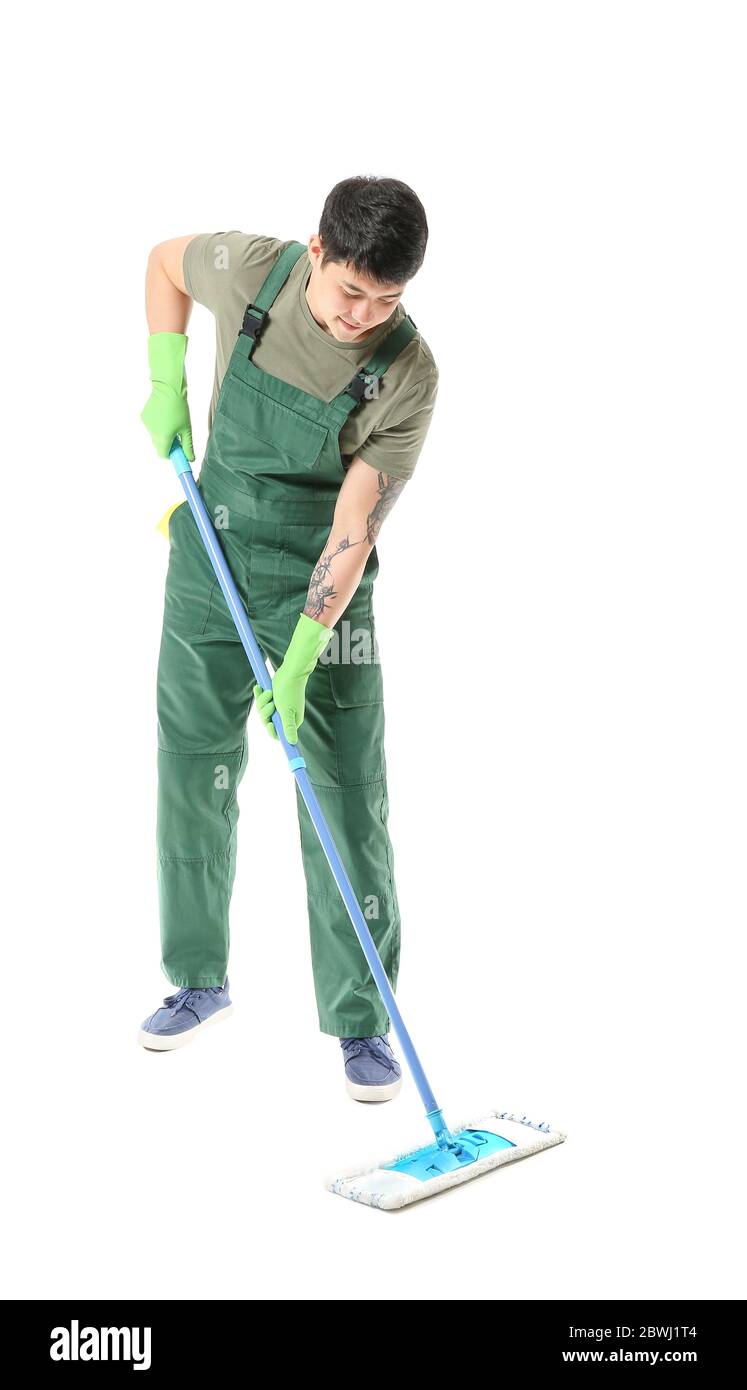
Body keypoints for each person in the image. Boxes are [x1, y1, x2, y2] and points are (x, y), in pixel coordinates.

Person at [136, 176, 438, 1102]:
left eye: (386, 300)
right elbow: (161, 262)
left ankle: (359, 1022)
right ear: (317, 252)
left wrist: (303, 656)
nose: (363, 316)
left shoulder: (408, 374)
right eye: (352, 290)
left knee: (345, 795)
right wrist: (165, 380)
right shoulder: (254, 270)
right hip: (211, 546)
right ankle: (197, 980)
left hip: (320, 582)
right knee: (195, 761)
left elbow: (355, 527)